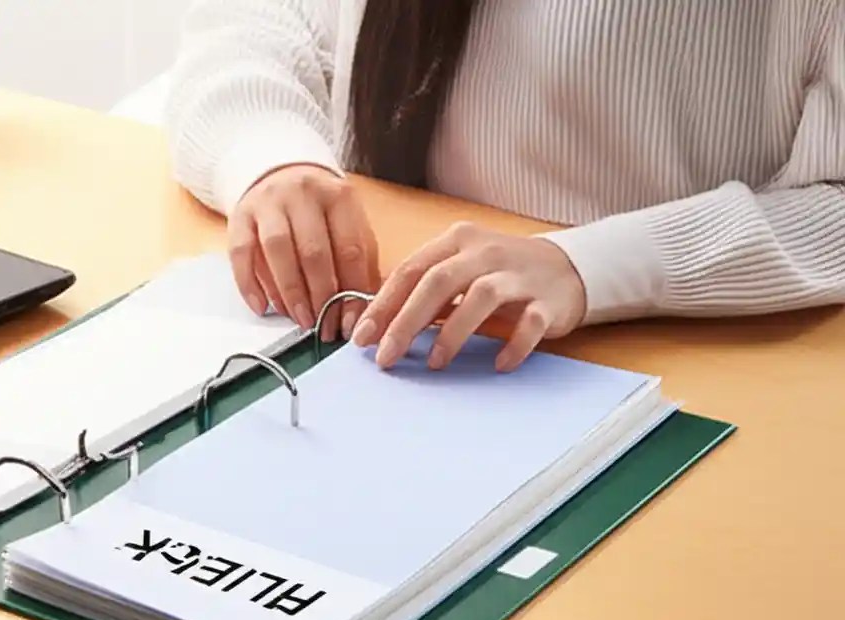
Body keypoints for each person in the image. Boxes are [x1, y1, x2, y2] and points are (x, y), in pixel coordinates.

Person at [163, 0, 844, 372]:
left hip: (648, 368)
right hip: (363, 340)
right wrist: (272, 158)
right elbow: (251, 22)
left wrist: (586, 265)